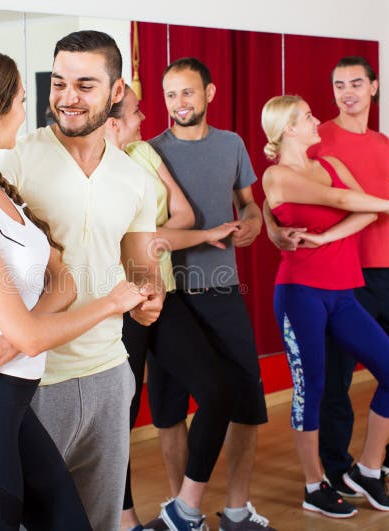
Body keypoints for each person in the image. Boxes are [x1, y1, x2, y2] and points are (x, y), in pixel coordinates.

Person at [0, 31, 164, 530]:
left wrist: (150, 297)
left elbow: (143, 270)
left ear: (116, 91)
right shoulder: (7, 156)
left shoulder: (137, 180)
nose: (67, 97)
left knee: (94, 521)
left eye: (85, 85)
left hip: (108, 373)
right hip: (32, 380)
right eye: (58, 83)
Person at [264, 56, 389, 494]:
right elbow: (281, 193)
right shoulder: (318, 136)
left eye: (356, 83)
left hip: (386, 273)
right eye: (339, 85)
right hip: (339, 275)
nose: (347, 92)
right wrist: (274, 231)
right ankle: (333, 469)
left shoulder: (382, 144)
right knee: (334, 380)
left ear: (373, 87)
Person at [105, 88, 242, 531]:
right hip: (118, 306)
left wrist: (160, 236)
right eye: (135, 112)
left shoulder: (144, 153)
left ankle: (185, 509)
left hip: (164, 293)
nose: (145, 117)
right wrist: (175, 237)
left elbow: (182, 215)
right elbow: (140, 239)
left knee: (219, 391)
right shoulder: (90, 172)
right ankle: (125, 520)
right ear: (112, 122)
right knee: (120, 418)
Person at [148, 57, 272, 531]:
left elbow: (250, 205)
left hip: (222, 291)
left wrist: (253, 224)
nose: (179, 103)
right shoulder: (150, 153)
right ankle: (185, 511)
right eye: (171, 94)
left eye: (188, 92)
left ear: (209, 93)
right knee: (169, 410)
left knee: (246, 402)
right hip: (169, 297)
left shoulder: (232, 144)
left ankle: (237, 512)